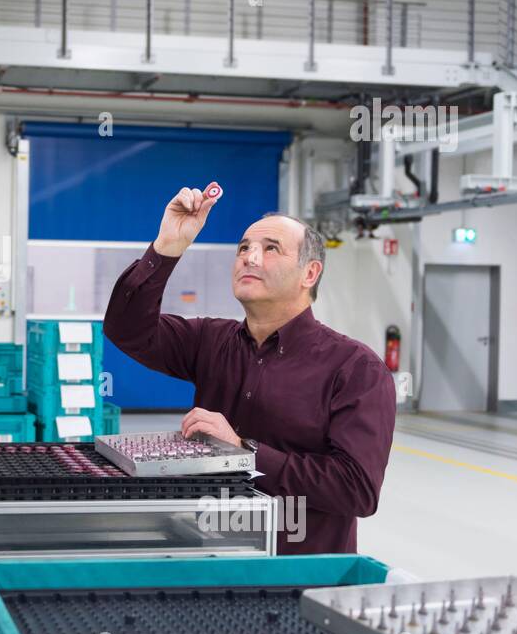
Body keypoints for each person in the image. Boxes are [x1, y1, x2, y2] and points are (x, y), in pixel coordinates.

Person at [103, 182, 396, 554]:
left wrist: (244, 450)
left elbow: (356, 489)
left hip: (298, 572)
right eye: (244, 248)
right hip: (208, 553)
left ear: (310, 274)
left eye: (270, 249)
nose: (250, 258)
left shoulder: (356, 369)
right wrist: (167, 247)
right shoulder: (210, 341)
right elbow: (125, 330)